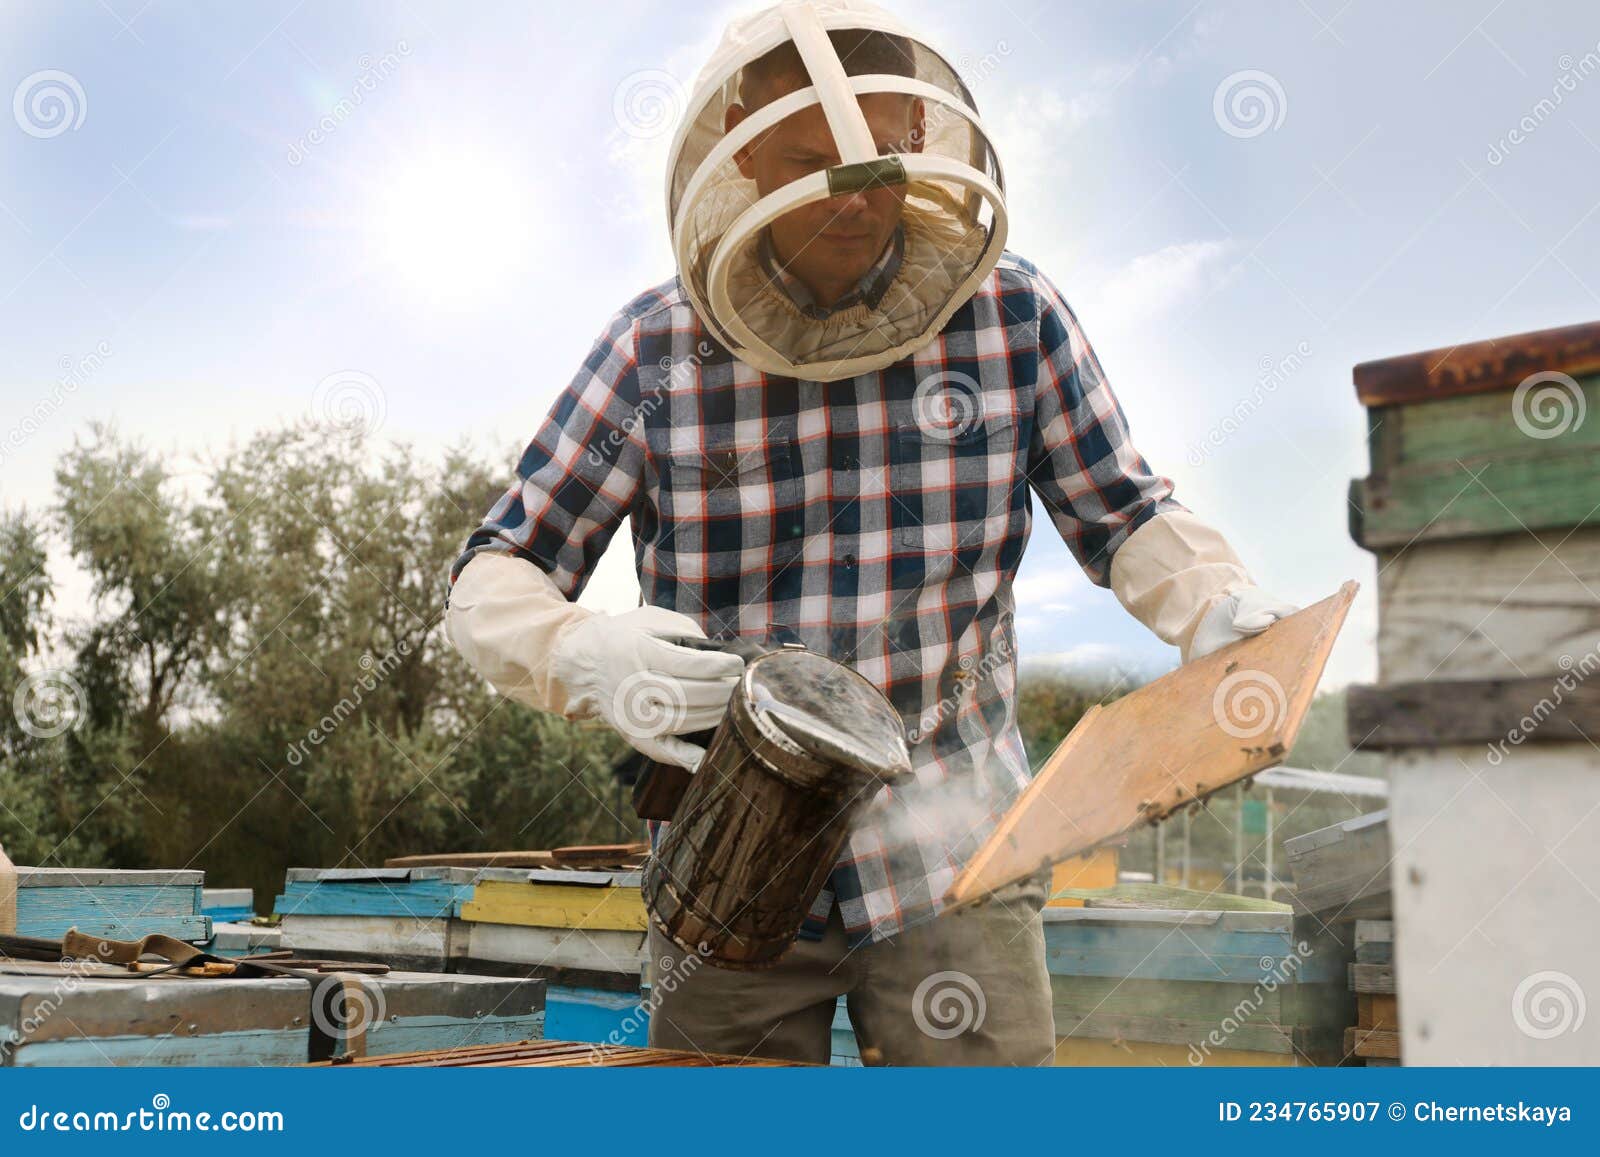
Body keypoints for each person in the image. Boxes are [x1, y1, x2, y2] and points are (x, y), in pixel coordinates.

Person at [445, 0, 1293, 1066]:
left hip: (957, 863)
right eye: (815, 161)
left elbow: (1122, 512)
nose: (863, 196)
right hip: (729, 876)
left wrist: (1217, 603)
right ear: (744, 150)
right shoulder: (654, 349)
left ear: (928, 132)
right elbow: (494, 570)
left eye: (890, 155)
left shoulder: (1011, 315)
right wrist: (575, 648)